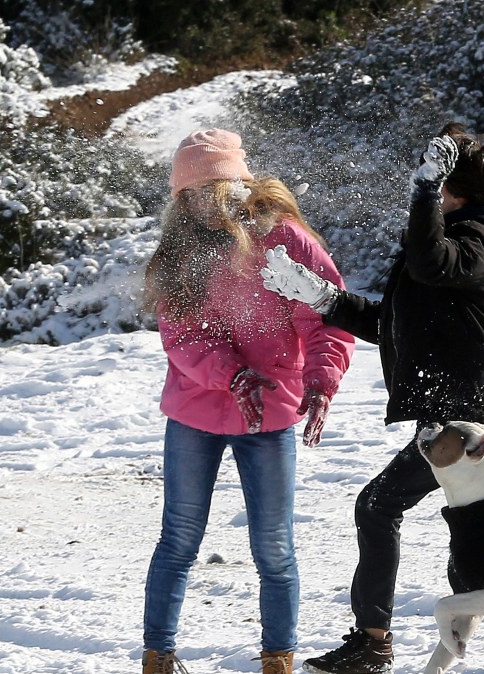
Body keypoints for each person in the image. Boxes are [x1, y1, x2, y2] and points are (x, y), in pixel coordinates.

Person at [258, 123, 484, 674]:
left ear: (453, 191)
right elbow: (394, 323)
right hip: (456, 410)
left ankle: (374, 641)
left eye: (435, 186)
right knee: (479, 534)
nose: (422, 194)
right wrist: (320, 296)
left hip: (471, 414)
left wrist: (425, 190)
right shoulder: (455, 241)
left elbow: (432, 262)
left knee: (381, 507)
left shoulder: (480, 240)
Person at [141, 129, 355, 674]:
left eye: (212, 192)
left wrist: (322, 379)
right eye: (190, 196)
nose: (203, 206)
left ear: (238, 186)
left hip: (273, 415)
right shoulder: (180, 251)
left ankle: (278, 659)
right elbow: (182, 336)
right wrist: (232, 374)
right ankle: (157, 658)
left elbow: (328, 317)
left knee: (274, 548)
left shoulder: (285, 241)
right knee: (179, 540)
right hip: (195, 412)